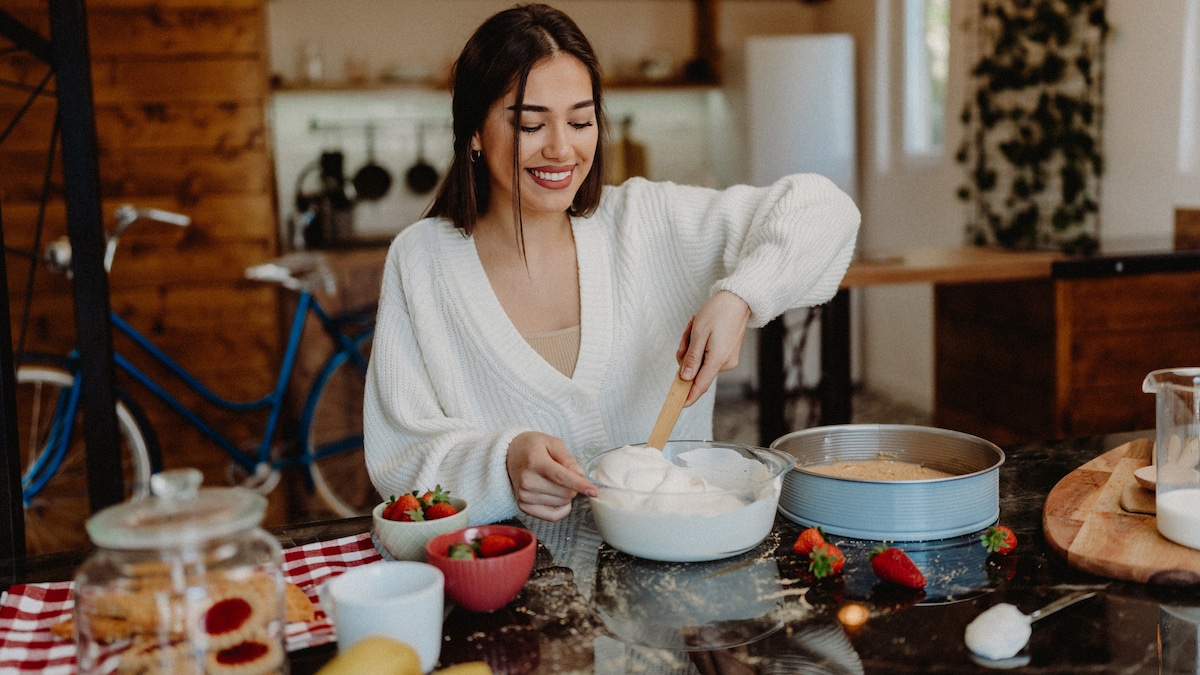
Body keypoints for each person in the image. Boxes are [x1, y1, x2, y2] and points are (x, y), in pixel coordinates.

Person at [364, 3, 859, 537]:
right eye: (532, 124)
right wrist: (503, 460)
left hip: (675, 571)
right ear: (475, 133)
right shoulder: (422, 261)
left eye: (580, 121)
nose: (562, 148)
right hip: (515, 587)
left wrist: (742, 294)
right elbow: (401, 461)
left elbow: (825, 209)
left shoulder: (646, 224)